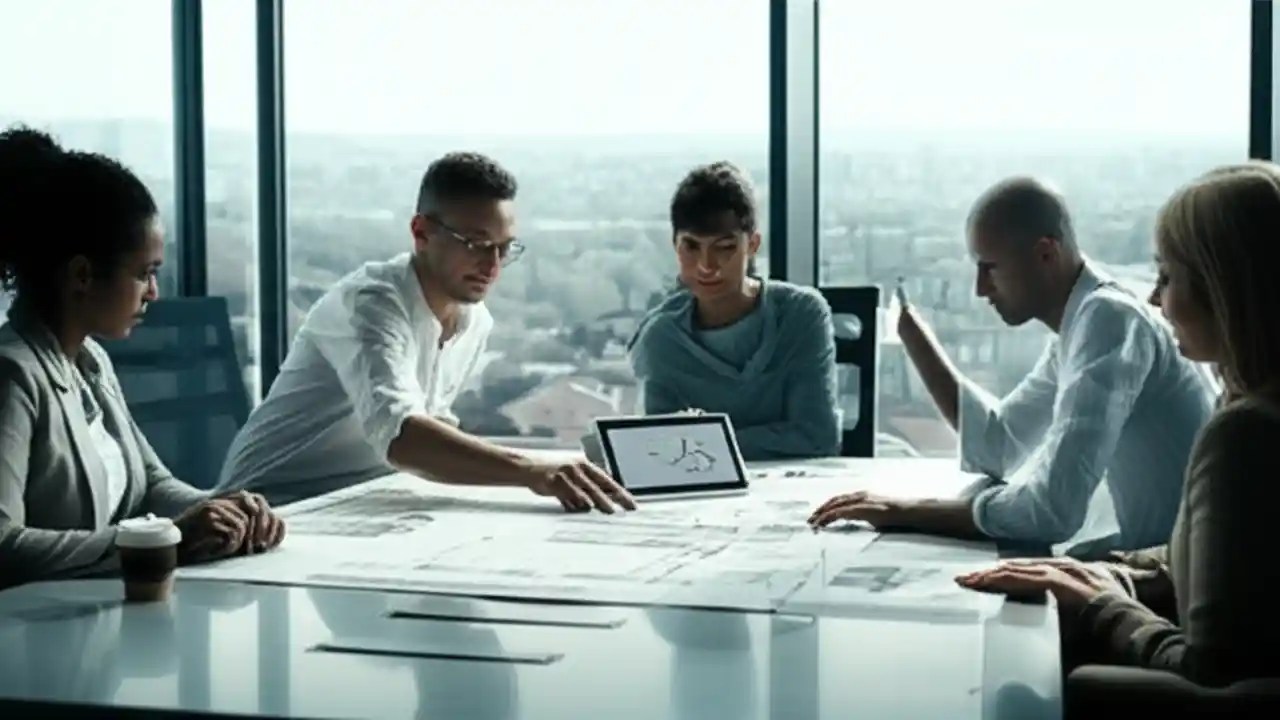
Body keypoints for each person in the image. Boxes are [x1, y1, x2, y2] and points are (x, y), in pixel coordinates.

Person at [956, 162, 1280, 688]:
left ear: (1226, 289)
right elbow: (1205, 564)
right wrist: (1113, 573)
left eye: (1169, 277)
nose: (1155, 299)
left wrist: (1100, 604)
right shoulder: (1246, 407)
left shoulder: (1244, 435)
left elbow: (1211, 670)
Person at [809, 176, 1216, 555]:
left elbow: (1053, 510)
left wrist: (908, 512)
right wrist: (917, 341)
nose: (980, 288)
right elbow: (998, 446)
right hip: (1153, 560)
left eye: (990, 268)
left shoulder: (1108, 321)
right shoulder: (1083, 324)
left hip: (1166, 581)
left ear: (1045, 253)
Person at [216, 152, 636, 512]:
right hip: (271, 508)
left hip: (370, 502)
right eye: (475, 243)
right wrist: (530, 469)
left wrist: (558, 464)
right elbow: (404, 438)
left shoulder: (475, 319)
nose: (492, 266)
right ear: (421, 233)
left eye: (504, 248)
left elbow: (435, 436)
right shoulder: (370, 305)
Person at [0, 126, 284, 589]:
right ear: (82, 275)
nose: (154, 291)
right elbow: (3, 546)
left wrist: (224, 510)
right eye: (144, 274)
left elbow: (149, 485)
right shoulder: (12, 375)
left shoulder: (90, 362)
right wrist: (167, 541)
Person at [627, 161, 839, 460]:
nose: (706, 265)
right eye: (691, 246)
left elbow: (817, 436)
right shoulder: (661, 339)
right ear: (675, 246)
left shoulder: (800, 314)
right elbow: (663, 453)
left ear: (752, 245)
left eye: (724, 247)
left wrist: (705, 443)